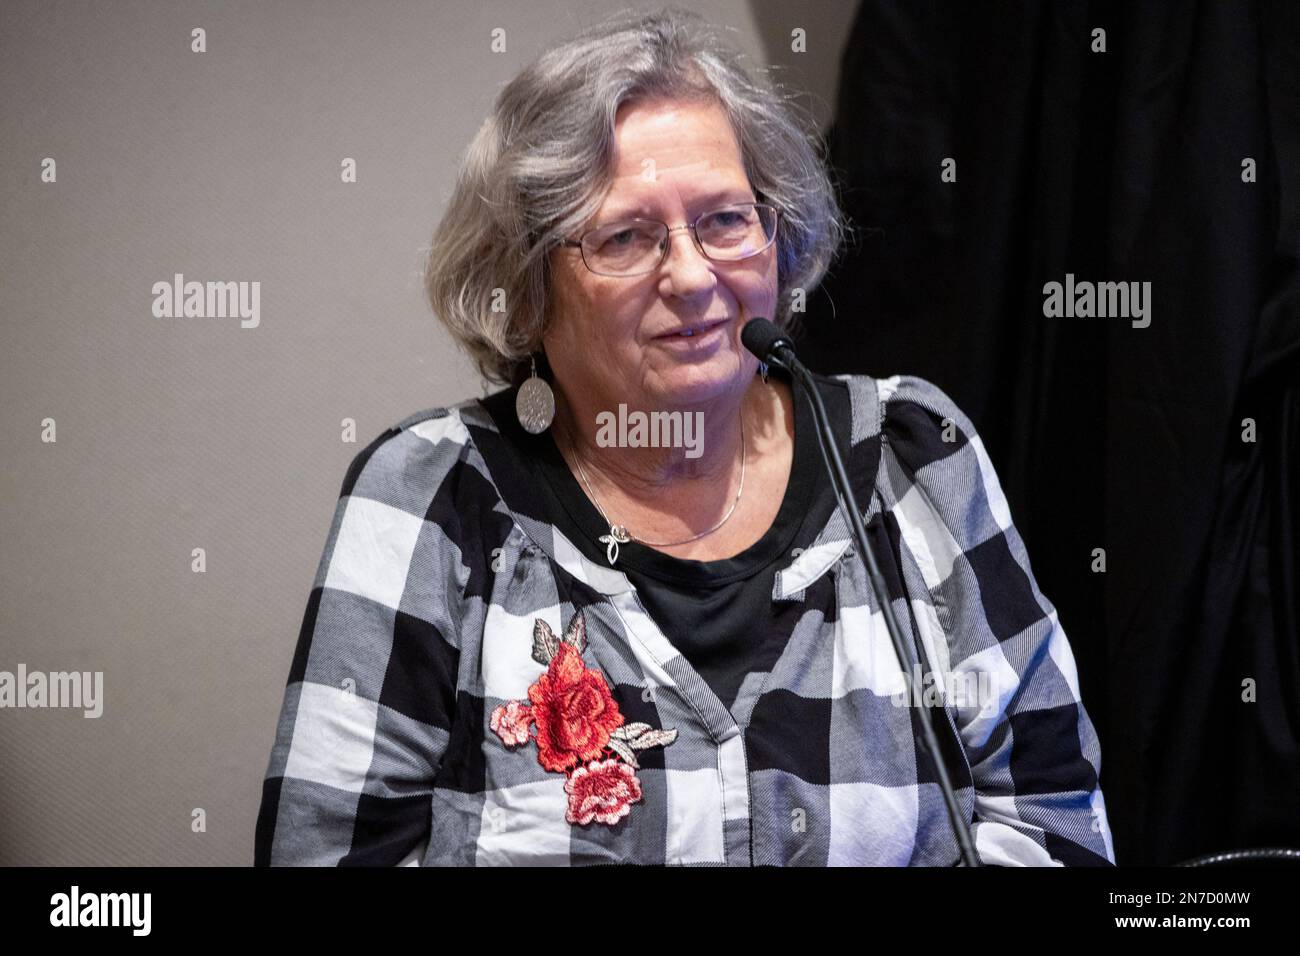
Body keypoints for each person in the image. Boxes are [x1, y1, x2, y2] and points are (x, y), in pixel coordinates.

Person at [254, 6, 1115, 866]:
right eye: (626, 236)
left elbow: (1054, 820)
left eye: (725, 220)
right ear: (525, 288)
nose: (695, 276)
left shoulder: (914, 455)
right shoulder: (428, 496)